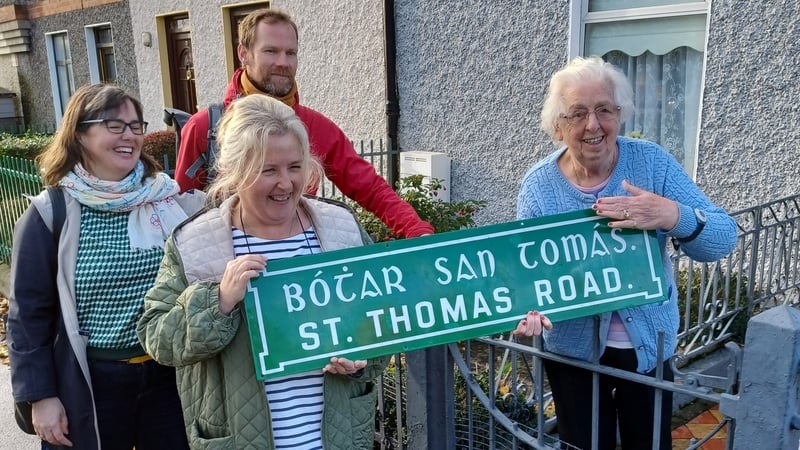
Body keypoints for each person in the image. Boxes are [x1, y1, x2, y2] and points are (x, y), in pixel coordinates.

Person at [138, 94, 389, 449]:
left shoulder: (341, 229)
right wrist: (219, 301)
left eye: (295, 166)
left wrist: (363, 360)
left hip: (339, 437)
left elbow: (384, 320)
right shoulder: (196, 242)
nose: (285, 184)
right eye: (268, 171)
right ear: (236, 172)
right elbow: (158, 338)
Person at [513, 56, 738, 450]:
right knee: (583, 445)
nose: (593, 125)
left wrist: (672, 215)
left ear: (620, 114)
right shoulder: (538, 187)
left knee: (648, 444)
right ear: (558, 125)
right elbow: (529, 274)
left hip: (649, 347)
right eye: (578, 113)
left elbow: (722, 238)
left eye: (604, 110)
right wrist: (529, 310)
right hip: (573, 355)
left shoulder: (650, 163)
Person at [8, 83, 204, 449]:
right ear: (80, 134)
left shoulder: (168, 200)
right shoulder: (50, 214)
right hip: (91, 383)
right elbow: (27, 317)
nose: (129, 135)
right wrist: (41, 396)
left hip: (170, 379)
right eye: (115, 125)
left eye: (135, 126)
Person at [175, 8, 433, 239]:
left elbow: (369, 187)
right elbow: (179, 213)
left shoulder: (314, 125)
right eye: (270, 51)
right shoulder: (205, 128)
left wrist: (417, 231)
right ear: (244, 53)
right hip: (231, 278)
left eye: (291, 53)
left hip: (301, 274)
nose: (283, 63)